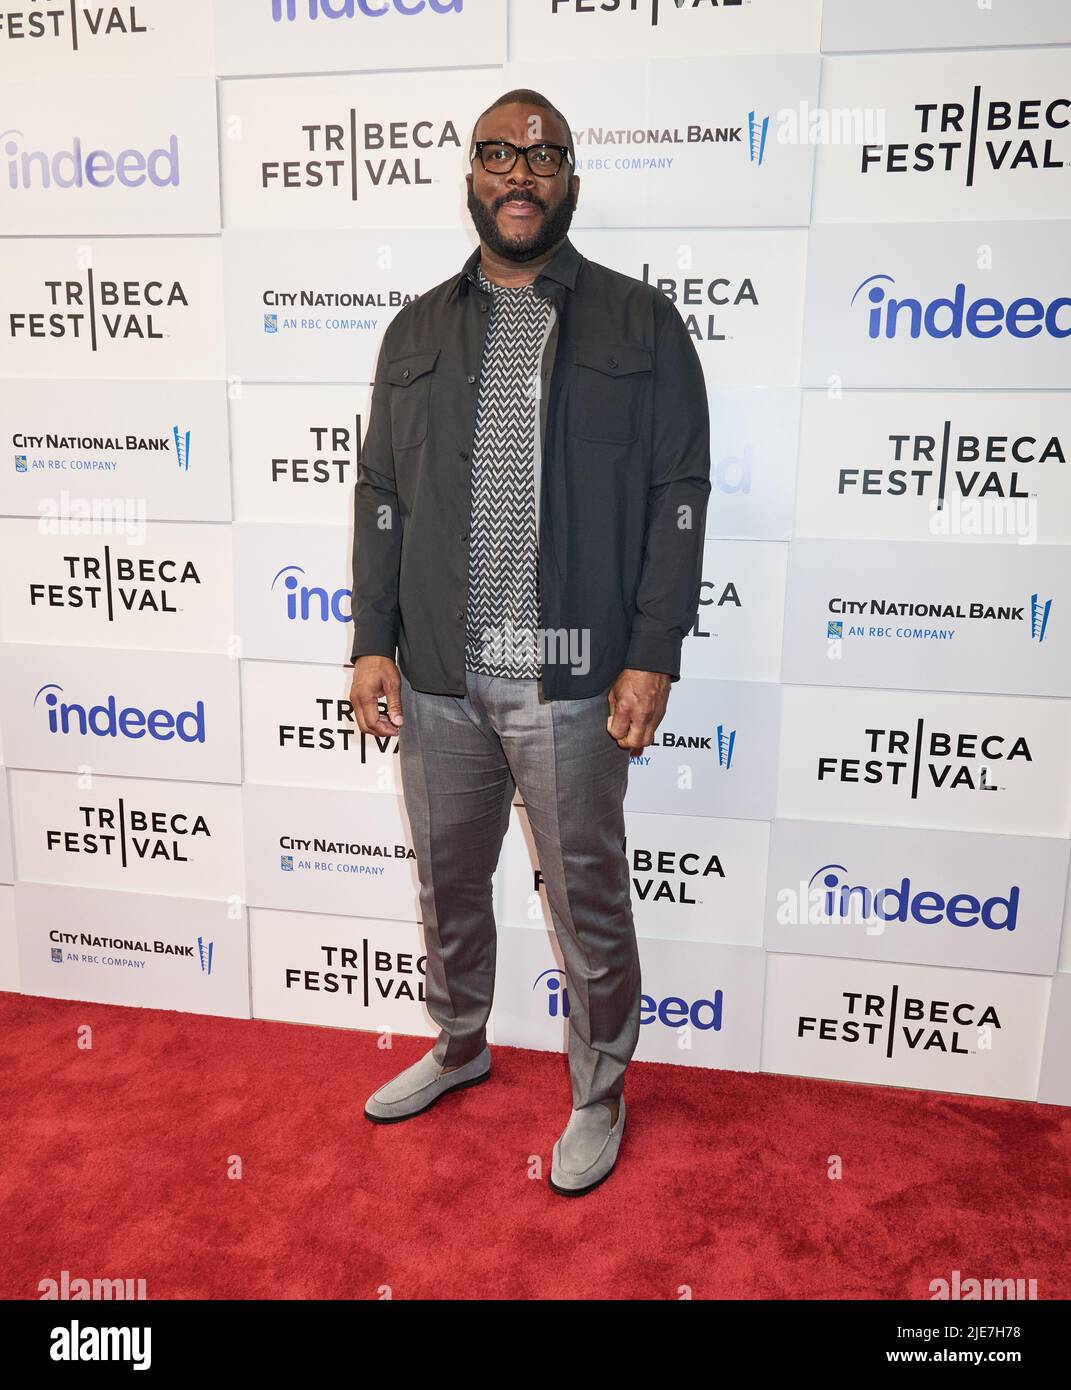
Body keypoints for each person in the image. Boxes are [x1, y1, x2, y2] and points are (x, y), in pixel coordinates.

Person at [348, 88, 710, 1196]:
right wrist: (374, 639)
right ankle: (461, 1044)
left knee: (585, 897)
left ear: (571, 182)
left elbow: (677, 491)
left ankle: (598, 1091)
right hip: (442, 680)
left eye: (544, 155)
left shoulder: (640, 324)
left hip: (573, 679)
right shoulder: (415, 330)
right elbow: (379, 494)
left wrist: (654, 650)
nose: (521, 173)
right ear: (470, 175)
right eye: (499, 153)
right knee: (448, 886)